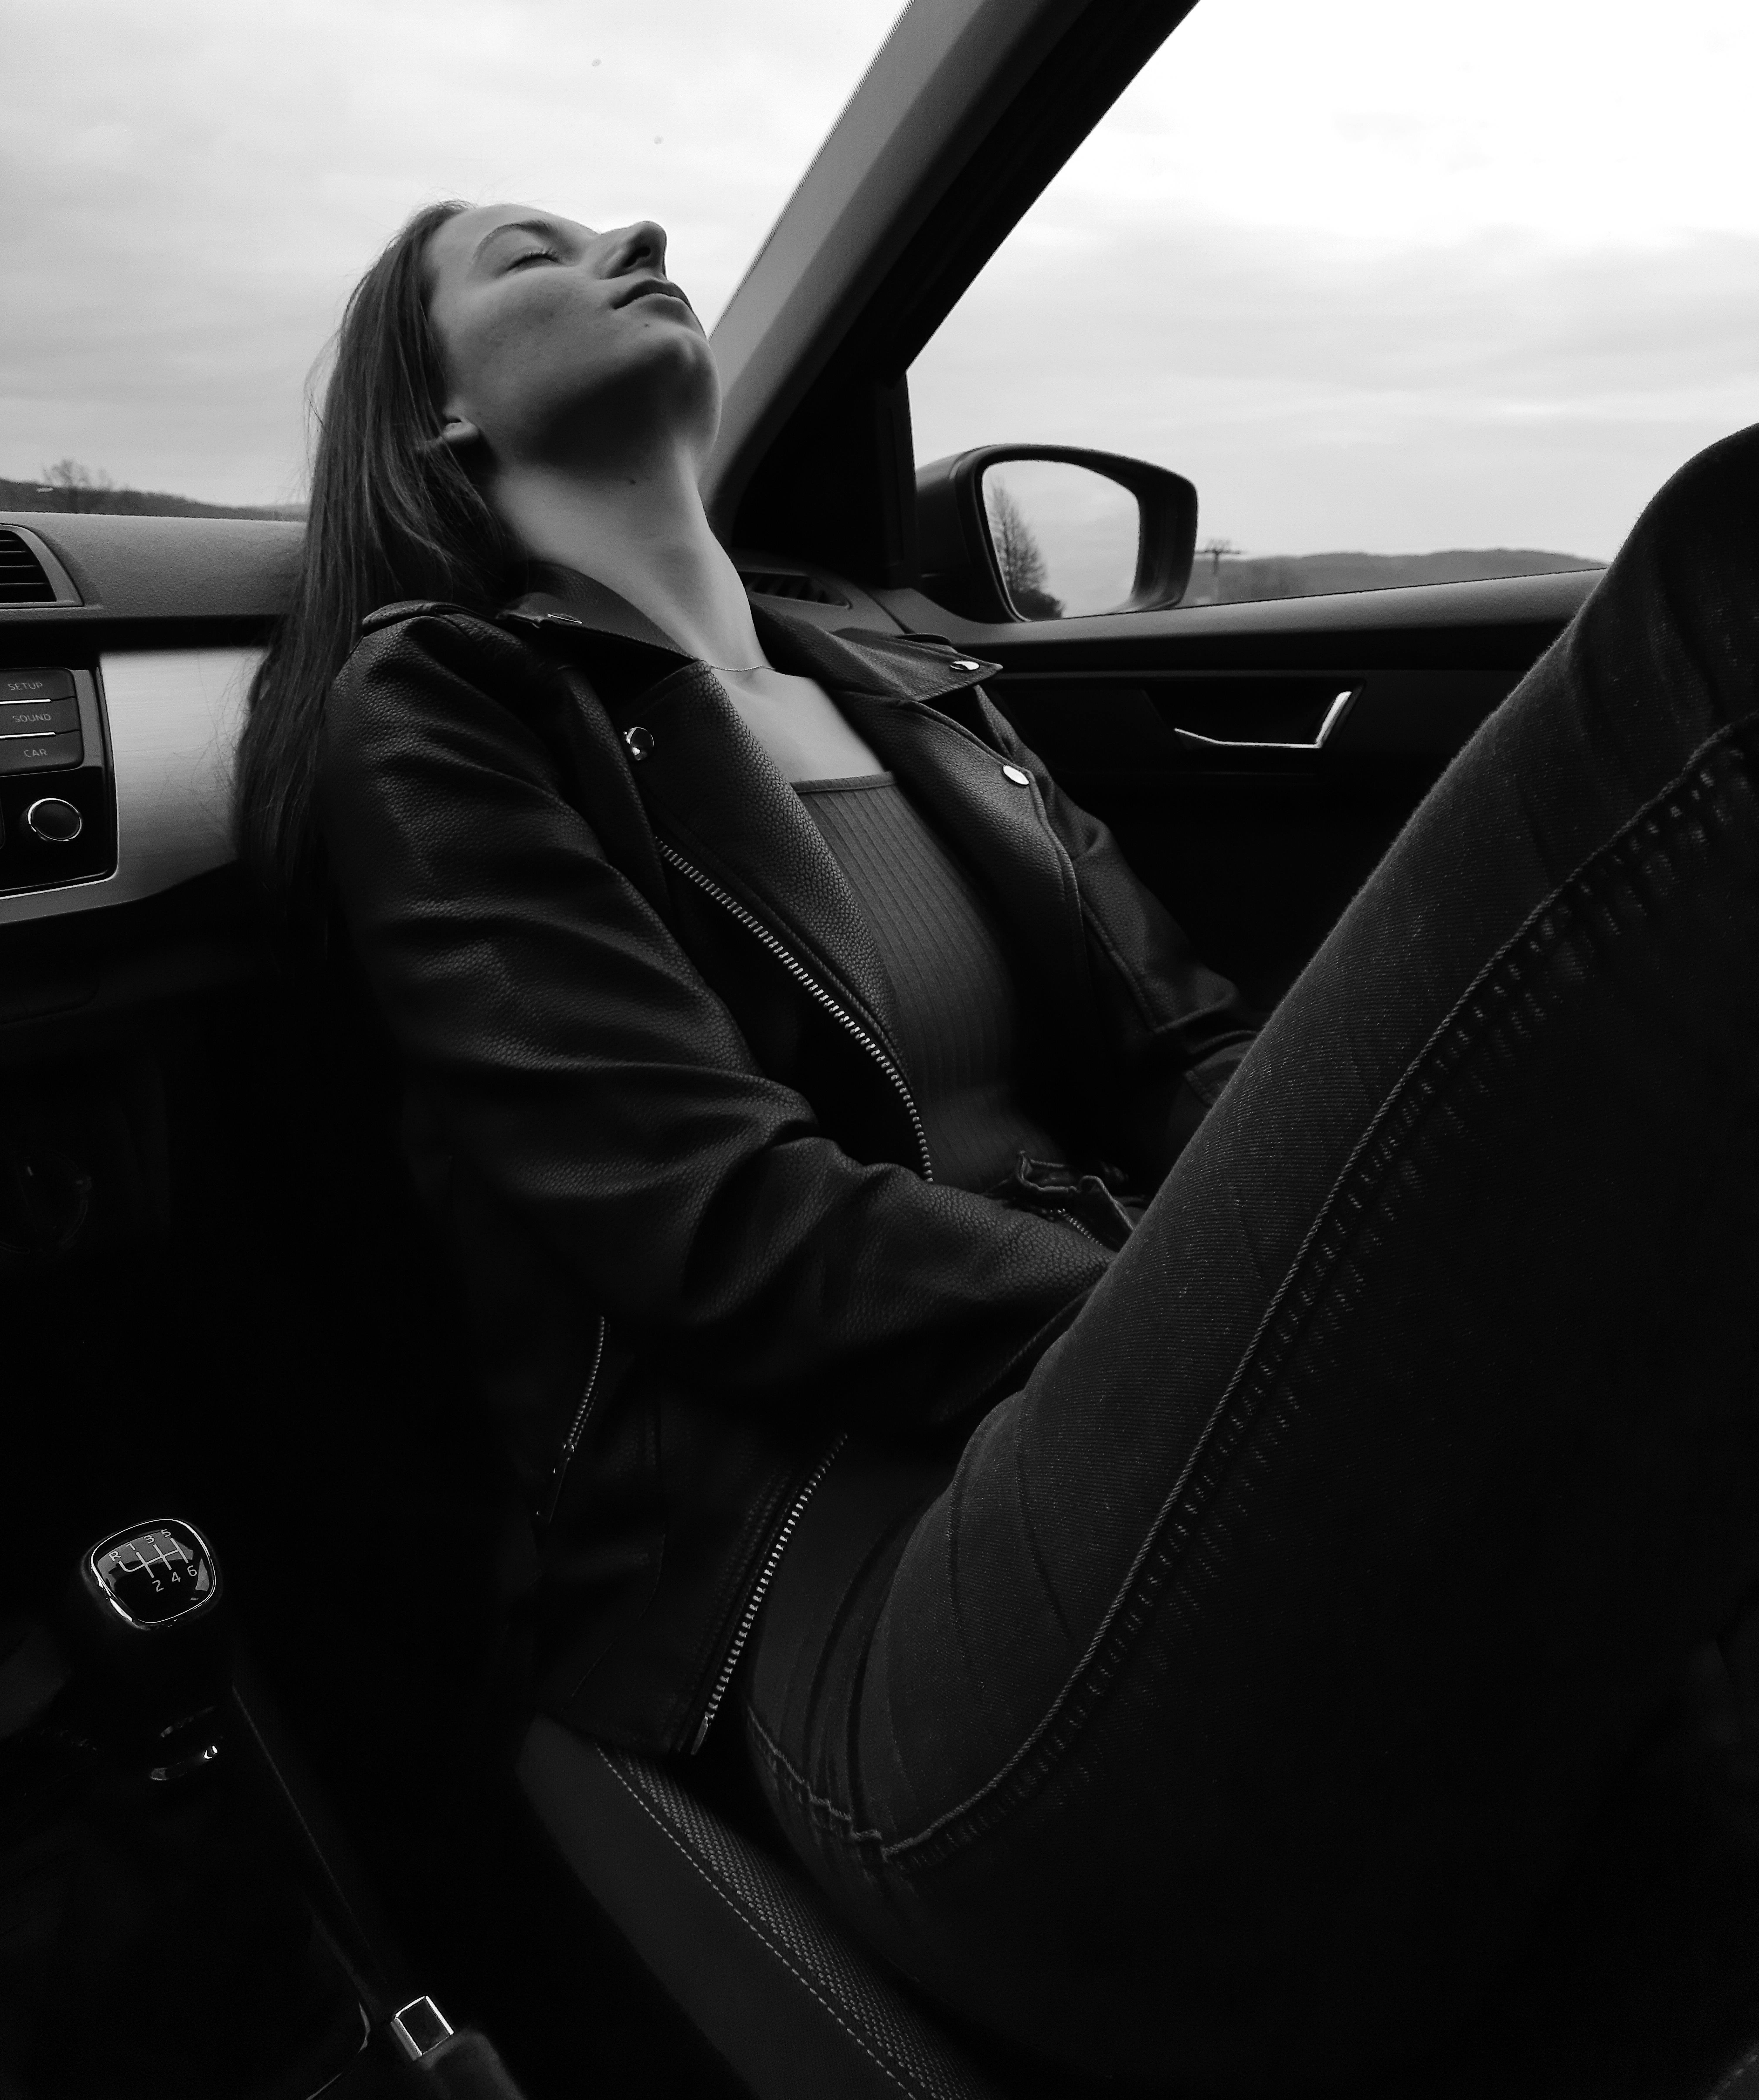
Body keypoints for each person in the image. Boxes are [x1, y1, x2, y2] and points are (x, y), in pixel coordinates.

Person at [235, 199, 1759, 2088]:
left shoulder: (893, 672)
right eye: (533, 254)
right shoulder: (449, 706)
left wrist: (1337, 1297)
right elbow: (727, 1229)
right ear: (439, 417)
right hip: (866, 1601)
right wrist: (1213, 1330)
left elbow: (1191, 1046)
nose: (633, 225)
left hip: (1135, 1419)